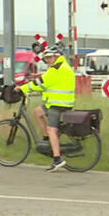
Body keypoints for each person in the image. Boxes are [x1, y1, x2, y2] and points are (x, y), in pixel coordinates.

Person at [20, 43, 76, 172]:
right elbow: (46, 82)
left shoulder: (57, 69)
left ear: (57, 56)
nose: (48, 60)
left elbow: (41, 82)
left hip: (58, 104)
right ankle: (47, 139)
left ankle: (57, 159)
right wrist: (34, 81)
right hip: (56, 102)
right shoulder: (61, 67)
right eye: (47, 58)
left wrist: (22, 88)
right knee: (38, 112)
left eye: (50, 58)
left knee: (52, 130)